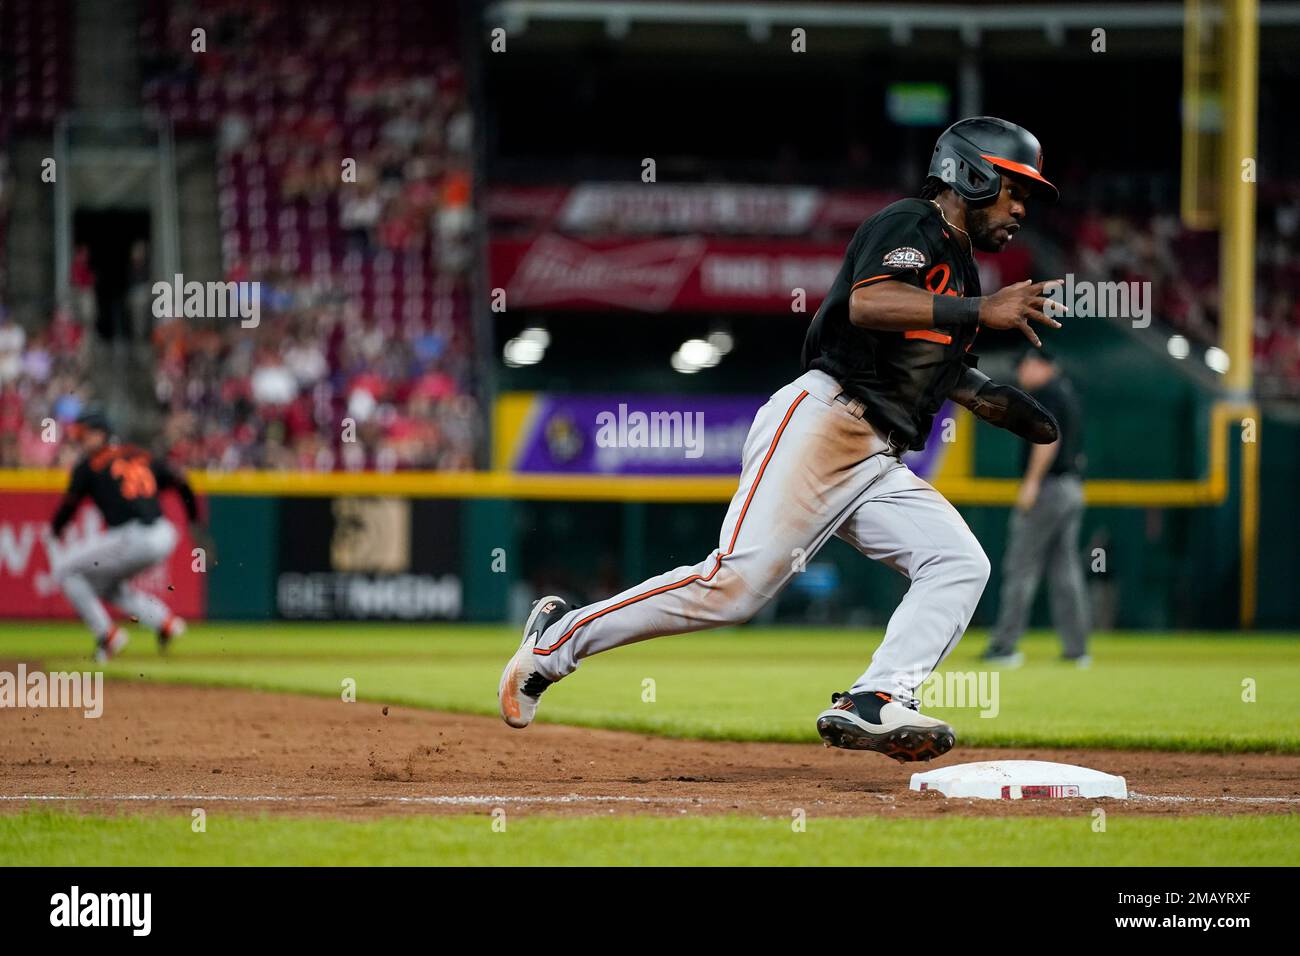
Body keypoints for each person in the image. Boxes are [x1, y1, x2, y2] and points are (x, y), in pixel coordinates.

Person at [499, 117, 1063, 762]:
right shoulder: (913, 224)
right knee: (732, 590)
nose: (1022, 207)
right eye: (1015, 188)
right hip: (825, 425)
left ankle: (876, 699)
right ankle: (557, 639)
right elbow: (870, 304)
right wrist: (980, 313)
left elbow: (927, 359)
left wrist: (994, 400)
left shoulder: (959, 268)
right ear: (973, 173)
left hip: (877, 457)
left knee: (959, 562)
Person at [49, 407, 208, 662]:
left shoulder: (88, 466)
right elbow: (182, 481)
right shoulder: (141, 454)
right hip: (163, 533)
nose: (80, 439)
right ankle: (164, 622)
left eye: (84, 433)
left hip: (132, 535)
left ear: (101, 433)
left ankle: (108, 635)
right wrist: (194, 522)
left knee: (66, 571)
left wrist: (54, 531)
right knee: (107, 586)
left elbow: (68, 509)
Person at [982, 348, 1090, 667]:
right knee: (1065, 572)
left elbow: (1048, 440)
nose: (1021, 373)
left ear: (1041, 366)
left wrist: (1030, 483)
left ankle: (1005, 647)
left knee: (1021, 566)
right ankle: (1077, 650)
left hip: (1048, 488)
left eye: (1025, 365)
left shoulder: (1047, 393)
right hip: (1071, 487)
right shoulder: (1068, 391)